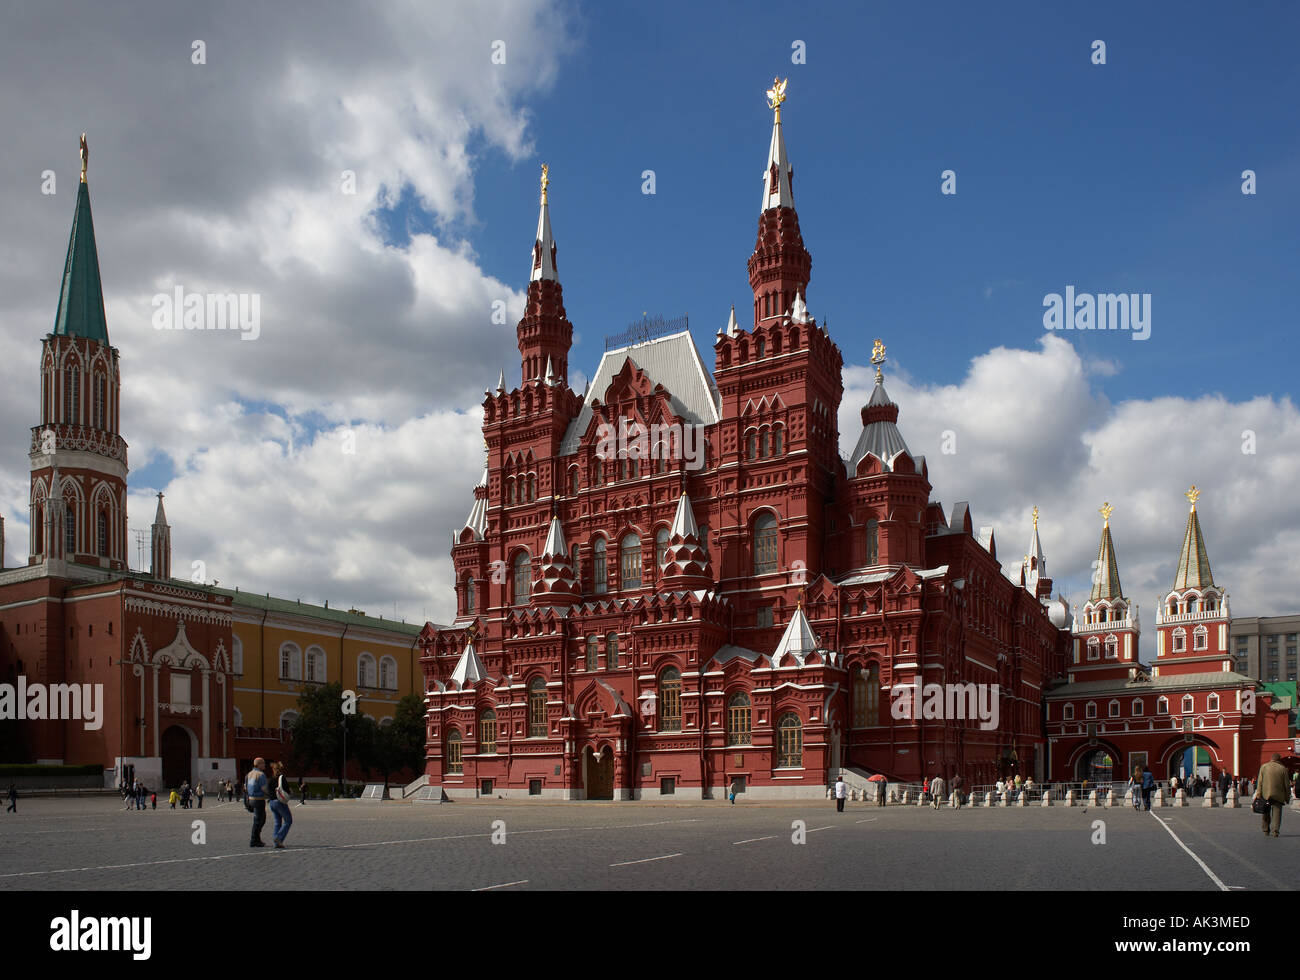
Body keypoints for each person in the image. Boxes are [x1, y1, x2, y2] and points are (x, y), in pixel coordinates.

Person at [1255, 753, 1289, 838]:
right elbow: (1287, 785)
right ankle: (1275, 831)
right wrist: (1287, 797)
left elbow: (1259, 782)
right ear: (1279, 760)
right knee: (1277, 814)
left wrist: (1258, 793)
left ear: (1271, 759)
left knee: (1266, 812)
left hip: (1265, 795)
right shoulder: (1283, 769)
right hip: (1278, 796)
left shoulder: (1264, 767)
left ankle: (1266, 830)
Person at [268, 761, 294, 849]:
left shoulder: (270, 779)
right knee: (288, 821)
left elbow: (268, 791)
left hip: (271, 802)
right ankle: (278, 838)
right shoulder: (281, 778)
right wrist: (291, 792)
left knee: (277, 822)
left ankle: (277, 843)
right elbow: (287, 789)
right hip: (280, 802)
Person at [246, 757, 270, 848]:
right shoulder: (261, 774)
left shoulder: (250, 774)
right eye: (263, 763)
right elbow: (264, 788)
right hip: (259, 800)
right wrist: (271, 794)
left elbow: (246, 787)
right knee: (259, 820)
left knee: (258, 820)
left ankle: (256, 839)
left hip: (251, 799)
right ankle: (254, 840)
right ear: (258, 764)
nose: (264, 765)